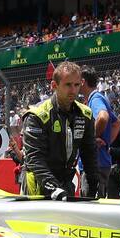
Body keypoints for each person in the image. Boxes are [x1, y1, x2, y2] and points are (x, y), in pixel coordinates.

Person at [20, 62, 100, 199]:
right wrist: (53, 187)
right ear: (54, 86)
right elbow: (34, 158)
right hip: (38, 185)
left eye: (76, 85)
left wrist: (94, 186)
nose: (73, 90)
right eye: (68, 85)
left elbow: (89, 154)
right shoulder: (37, 115)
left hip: (66, 182)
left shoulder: (85, 114)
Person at [82, 70, 119, 198]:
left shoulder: (95, 99)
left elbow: (103, 117)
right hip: (101, 162)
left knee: (90, 208)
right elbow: (116, 123)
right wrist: (107, 142)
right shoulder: (98, 97)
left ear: (83, 82)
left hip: (95, 164)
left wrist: (91, 140)